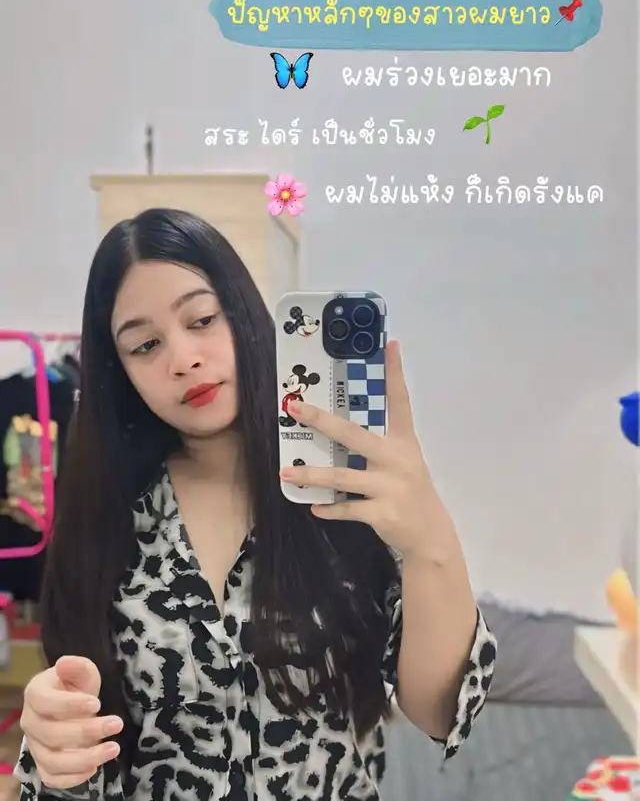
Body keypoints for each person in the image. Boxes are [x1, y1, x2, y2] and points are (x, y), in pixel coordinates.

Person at [14, 208, 497, 801]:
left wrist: (431, 544)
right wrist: (51, 742)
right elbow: (79, 752)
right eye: (145, 345)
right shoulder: (109, 515)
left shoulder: (342, 489)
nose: (182, 359)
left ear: (242, 313)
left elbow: (440, 712)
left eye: (202, 319)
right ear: (120, 370)